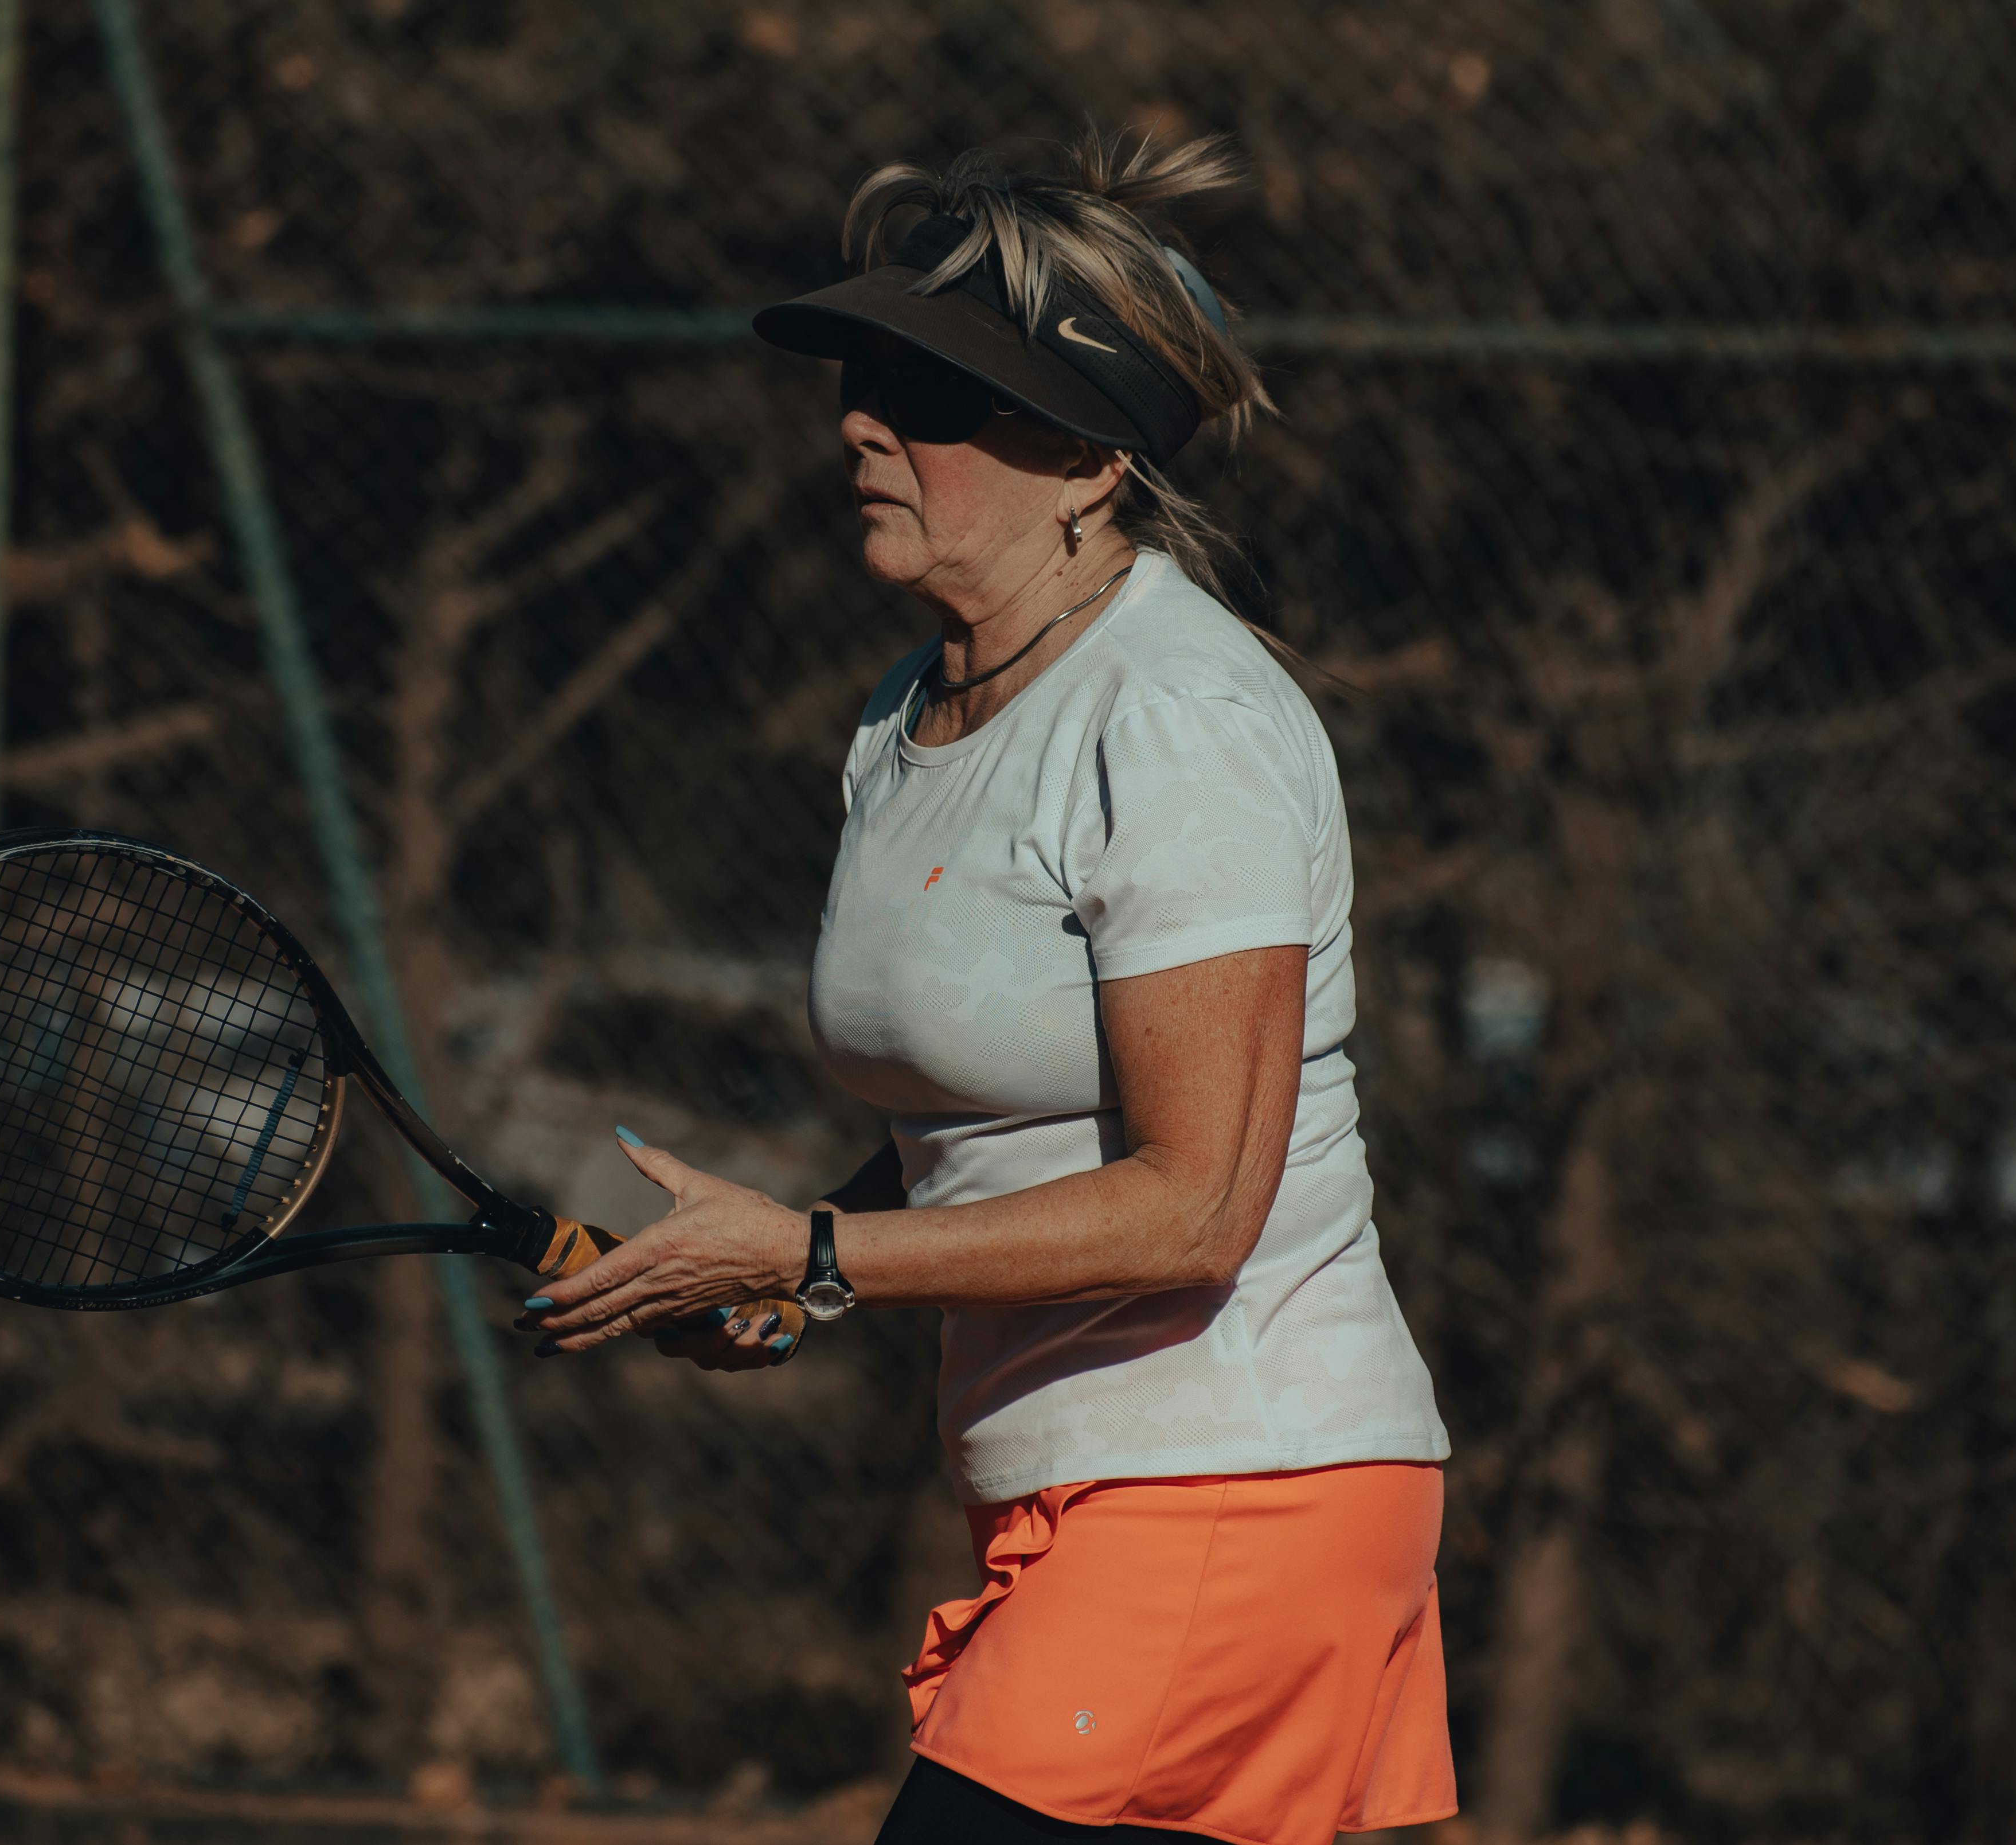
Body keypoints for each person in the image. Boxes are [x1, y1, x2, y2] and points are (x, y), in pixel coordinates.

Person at [517, 133, 1454, 1844]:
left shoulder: (1175, 721)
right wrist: (798, 1280)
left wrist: (813, 1254)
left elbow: (1195, 1208)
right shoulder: (904, 717)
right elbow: (996, 1121)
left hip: (1237, 1474)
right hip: (1077, 1486)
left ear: (1091, 459)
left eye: (933, 393)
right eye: (868, 381)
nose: (864, 422)